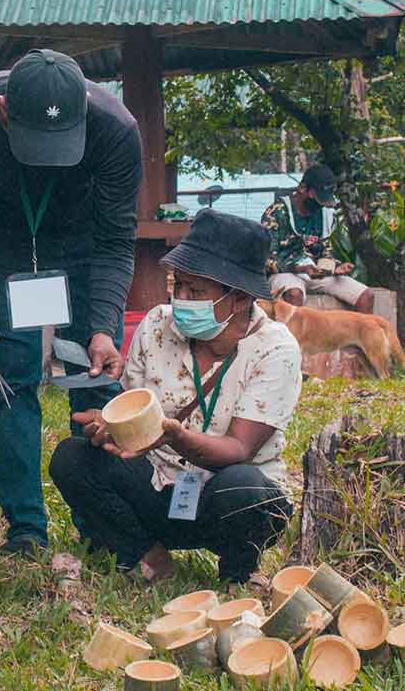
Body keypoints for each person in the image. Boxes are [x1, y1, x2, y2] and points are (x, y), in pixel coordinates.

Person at [0, 49, 143, 555]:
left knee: (94, 375)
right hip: (0, 245)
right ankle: (25, 530)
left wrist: (103, 324)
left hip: (83, 241)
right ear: (3, 111)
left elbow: (116, 240)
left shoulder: (116, 129)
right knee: (10, 377)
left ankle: (101, 523)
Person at [49, 210, 301, 584]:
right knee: (73, 457)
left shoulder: (275, 349)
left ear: (239, 298)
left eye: (195, 292)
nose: (181, 299)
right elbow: (131, 411)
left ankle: (237, 574)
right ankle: (146, 555)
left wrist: (176, 437)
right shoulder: (156, 324)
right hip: (158, 486)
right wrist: (110, 427)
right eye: (177, 284)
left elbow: (238, 449)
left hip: (223, 502)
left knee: (246, 488)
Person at [261, 163, 374, 313]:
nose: (320, 205)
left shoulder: (325, 214)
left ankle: (362, 329)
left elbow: (325, 252)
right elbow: (266, 259)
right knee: (294, 294)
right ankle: (294, 330)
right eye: (317, 199)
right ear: (302, 189)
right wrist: (300, 269)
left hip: (314, 273)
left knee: (366, 296)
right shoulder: (276, 213)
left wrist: (333, 267)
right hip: (284, 273)